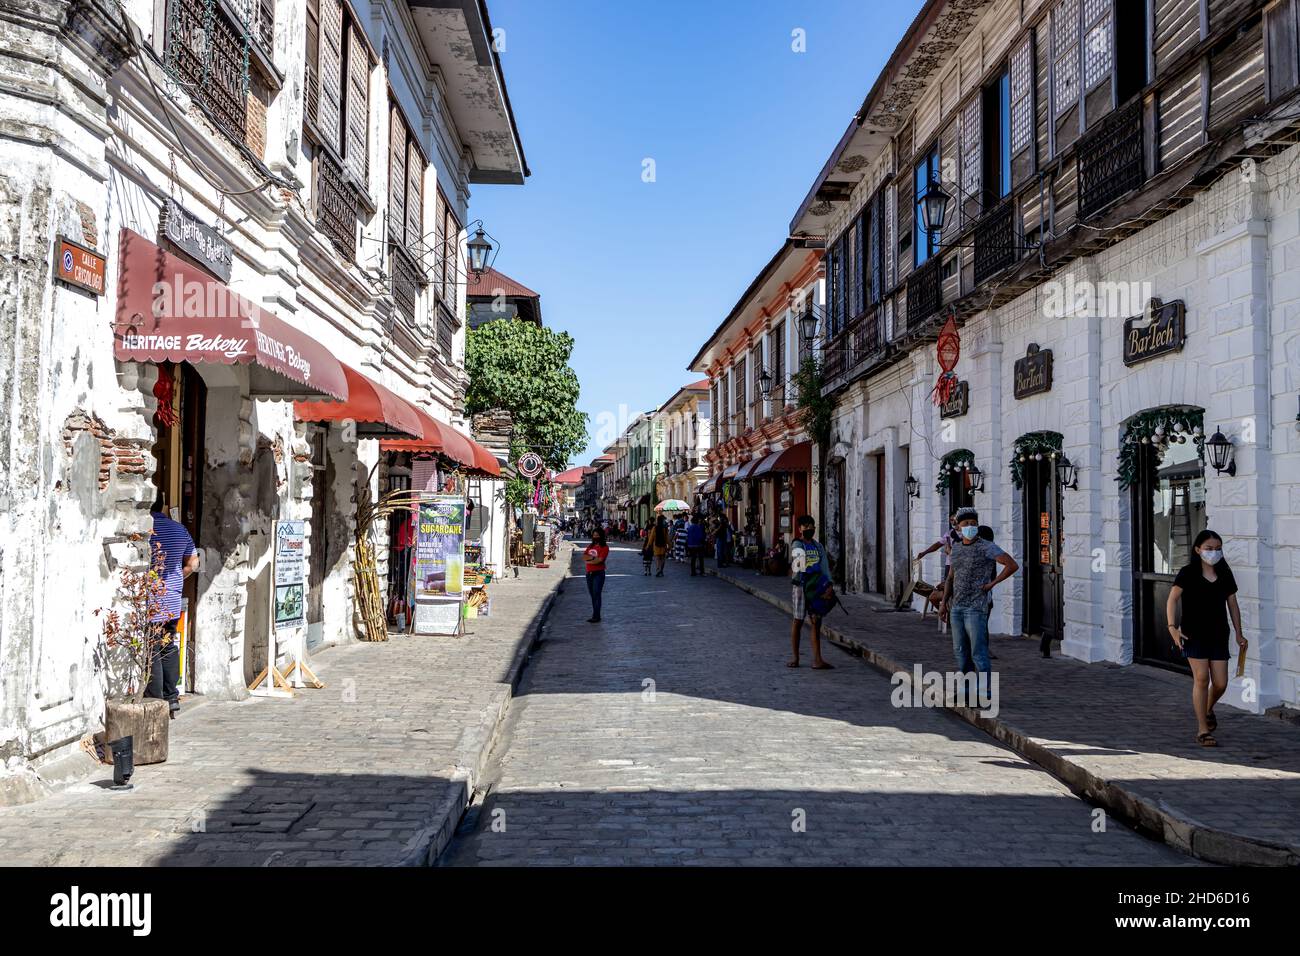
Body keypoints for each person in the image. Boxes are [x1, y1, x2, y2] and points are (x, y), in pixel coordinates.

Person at [1167, 530, 1246, 748]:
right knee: (1201, 678)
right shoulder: (1188, 572)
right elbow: (1172, 599)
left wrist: (1239, 632)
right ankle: (1203, 729)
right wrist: (1172, 627)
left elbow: (1233, 605)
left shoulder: (1225, 574)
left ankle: (1208, 708)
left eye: (1218, 548)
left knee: (1220, 683)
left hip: (1219, 633)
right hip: (1193, 633)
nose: (1214, 552)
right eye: (1209, 549)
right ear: (1198, 549)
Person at [939, 507, 1018, 687]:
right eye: (966, 524)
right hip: (957, 606)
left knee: (978, 653)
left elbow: (1011, 565)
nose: (970, 527)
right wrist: (944, 603)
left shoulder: (986, 546)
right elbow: (951, 577)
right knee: (961, 652)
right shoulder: (956, 549)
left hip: (976, 607)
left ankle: (984, 692)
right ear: (958, 527)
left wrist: (991, 584)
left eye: (974, 524)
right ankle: (967, 691)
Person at [148, 495, 199, 719]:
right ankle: (171, 697)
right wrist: (177, 578)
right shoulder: (179, 529)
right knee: (167, 646)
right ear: (162, 505)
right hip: (171, 599)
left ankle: (155, 699)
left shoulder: (145, 528)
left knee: (151, 649)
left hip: (149, 599)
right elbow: (193, 563)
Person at [788, 514, 833, 670]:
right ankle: (795, 657)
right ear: (800, 529)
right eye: (805, 526)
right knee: (798, 620)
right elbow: (798, 567)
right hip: (801, 587)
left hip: (816, 587)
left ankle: (817, 659)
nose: (809, 529)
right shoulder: (797, 545)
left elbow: (825, 566)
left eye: (811, 526)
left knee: (816, 621)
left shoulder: (818, 546)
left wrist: (829, 584)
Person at [916, 513, 958, 614]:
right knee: (945, 589)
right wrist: (924, 552)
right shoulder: (949, 533)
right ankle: (946, 615)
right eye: (951, 520)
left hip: (960, 566)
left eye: (955, 519)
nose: (953, 522)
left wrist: (951, 551)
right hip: (950, 565)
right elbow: (937, 545)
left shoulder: (966, 534)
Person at [582, 528, 609, 624]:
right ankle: (595, 614)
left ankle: (596, 616)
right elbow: (584, 557)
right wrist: (593, 558)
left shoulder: (605, 547)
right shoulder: (590, 546)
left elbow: (600, 560)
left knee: (597, 594)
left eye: (597, 535)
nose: (595, 537)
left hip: (598, 573)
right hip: (589, 573)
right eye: (594, 535)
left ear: (601, 536)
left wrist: (590, 560)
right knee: (593, 595)